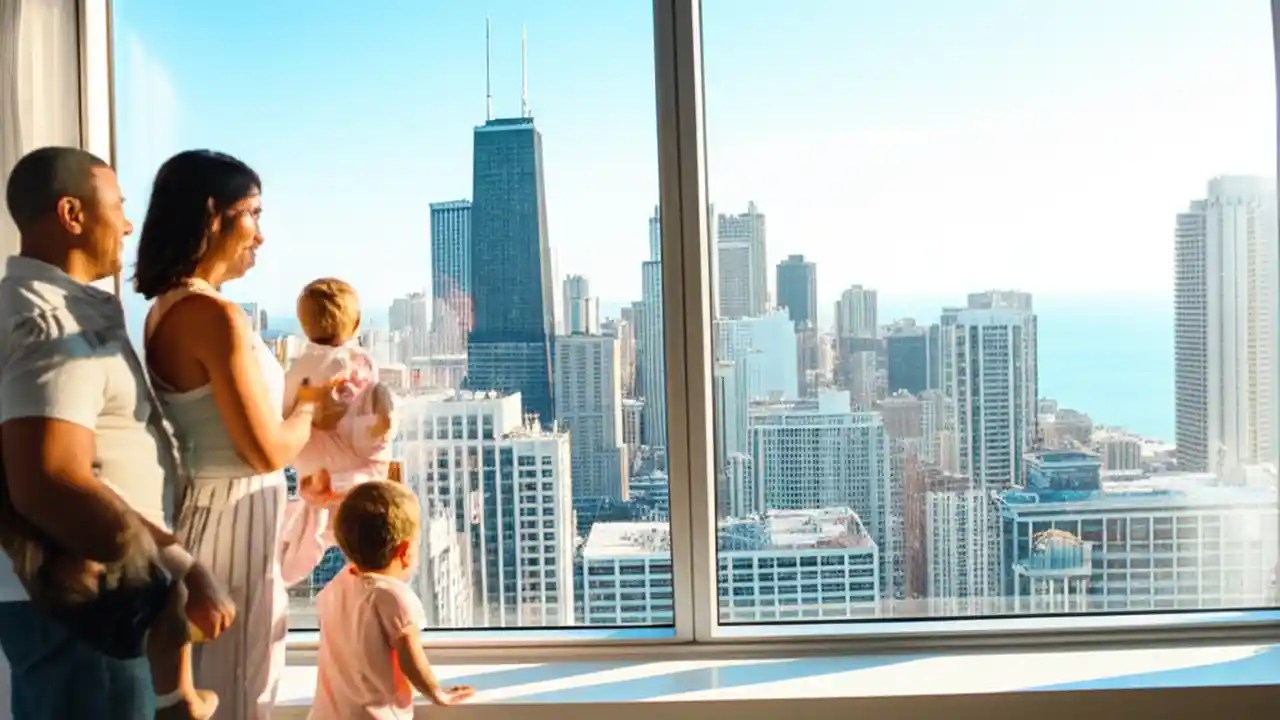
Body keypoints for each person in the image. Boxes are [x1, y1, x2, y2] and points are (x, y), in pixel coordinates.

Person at [0, 146, 234, 719]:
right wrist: (178, 572)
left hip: (85, 605)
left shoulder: (63, 309)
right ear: (72, 215)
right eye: (119, 206)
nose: (128, 223)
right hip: (85, 608)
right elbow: (48, 479)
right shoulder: (48, 322)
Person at [134, 149, 346, 719]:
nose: (261, 234)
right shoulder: (213, 316)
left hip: (211, 514)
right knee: (240, 695)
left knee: (227, 687)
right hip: (232, 521)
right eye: (252, 212)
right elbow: (261, 451)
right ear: (213, 215)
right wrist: (309, 408)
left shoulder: (167, 307)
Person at [311, 482, 474, 719]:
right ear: (405, 552)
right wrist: (437, 693)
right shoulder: (393, 597)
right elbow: (411, 658)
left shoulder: (338, 585)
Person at [279, 277, 396, 585]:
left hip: (307, 457)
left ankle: (322, 488)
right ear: (356, 324)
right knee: (375, 467)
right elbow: (361, 406)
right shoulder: (356, 361)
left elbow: (285, 411)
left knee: (318, 520)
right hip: (343, 462)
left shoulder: (296, 367)